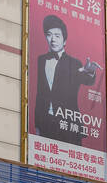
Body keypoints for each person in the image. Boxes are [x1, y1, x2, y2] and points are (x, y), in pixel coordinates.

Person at [34, 13, 98, 144]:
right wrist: (37, 125)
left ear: (64, 41)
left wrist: (90, 72)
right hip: (46, 124)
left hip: (68, 125)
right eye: (49, 35)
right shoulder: (41, 60)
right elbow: (40, 94)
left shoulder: (74, 63)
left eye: (57, 36)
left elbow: (86, 79)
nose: (53, 39)